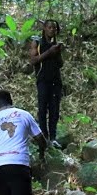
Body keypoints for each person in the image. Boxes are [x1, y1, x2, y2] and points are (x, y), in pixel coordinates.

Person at [29, 19, 65, 147]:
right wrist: (49, 52)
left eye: (54, 28)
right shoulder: (37, 42)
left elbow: (60, 64)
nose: (52, 30)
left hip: (56, 80)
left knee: (54, 109)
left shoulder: (55, 44)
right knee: (43, 108)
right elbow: (33, 60)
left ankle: (53, 137)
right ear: (44, 28)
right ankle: (43, 135)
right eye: (49, 27)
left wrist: (58, 52)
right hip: (43, 80)